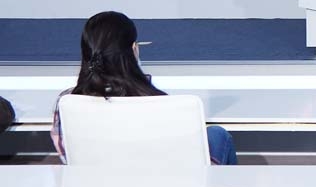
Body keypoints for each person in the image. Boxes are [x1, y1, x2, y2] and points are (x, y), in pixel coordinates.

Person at [51, 11, 237, 165]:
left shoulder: (67, 102)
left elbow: (67, 155)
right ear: (134, 49)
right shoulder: (160, 103)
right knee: (217, 135)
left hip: (94, 184)